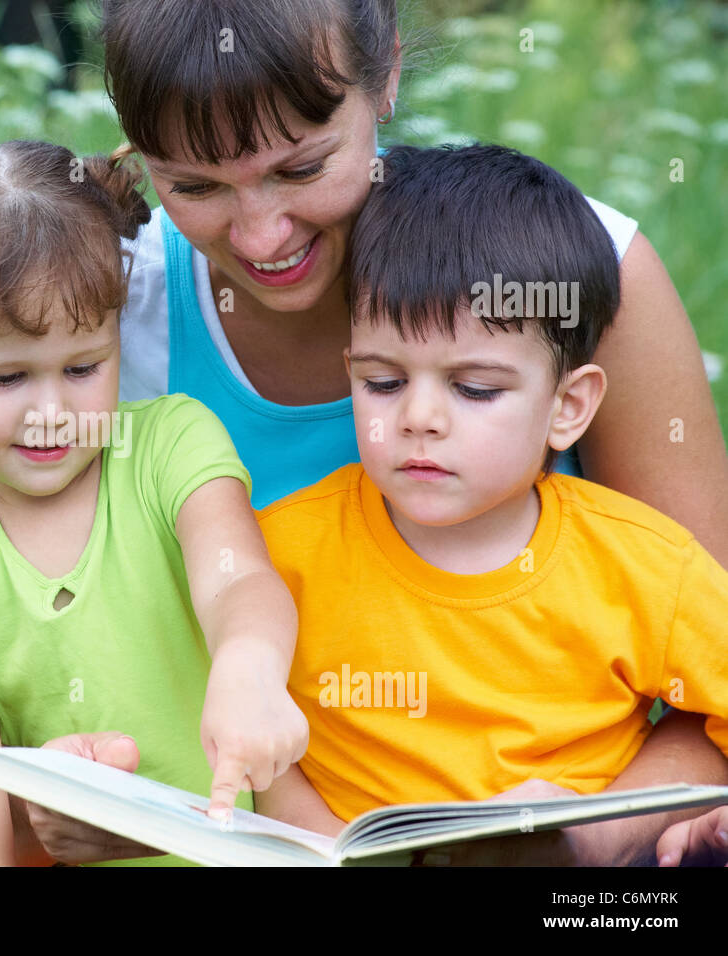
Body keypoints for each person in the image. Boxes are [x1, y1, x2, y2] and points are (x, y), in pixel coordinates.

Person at [22, 0, 728, 866]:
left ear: (386, 71)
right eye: (194, 186)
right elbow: (54, 666)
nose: (261, 234)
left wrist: (592, 835)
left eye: (303, 166)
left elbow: (702, 697)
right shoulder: (101, 316)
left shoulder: (573, 271)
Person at [0, 140, 308, 866]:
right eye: (8, 378)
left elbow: (236, 578)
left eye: (83, 367)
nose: (51, 411)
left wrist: (250, 661)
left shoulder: (172, 443)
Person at [250, 144, 728, 865]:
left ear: (569, 407)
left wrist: (626, 824)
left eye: (474, 389)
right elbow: (235, 727)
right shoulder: (277, 553)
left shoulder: (645, 566)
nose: (418, 417)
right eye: (383, 382)